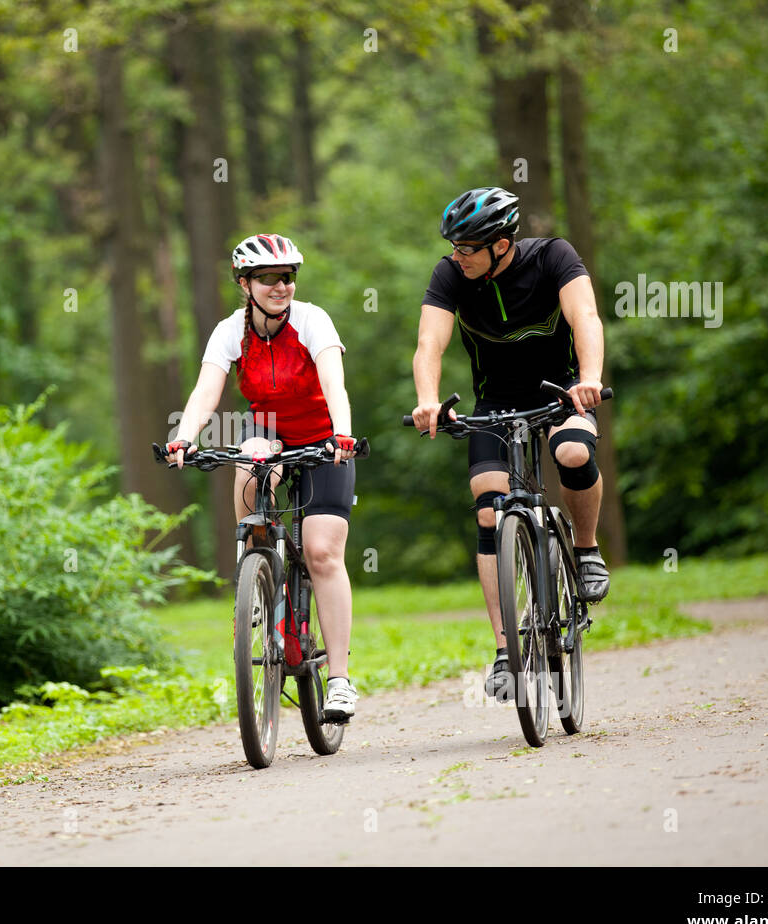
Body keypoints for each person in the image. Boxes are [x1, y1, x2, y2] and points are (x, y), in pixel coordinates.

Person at [409, 187, 610, 702]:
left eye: (467, 247)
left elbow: (585, 316)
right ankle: (506, 652)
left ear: (501, 245)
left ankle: (585, 552)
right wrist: (429, 400)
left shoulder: (553, 257)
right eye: (454, 247)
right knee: (488, 507)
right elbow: (430, 341)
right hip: (494, 402)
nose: (457, 256)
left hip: (559, 390)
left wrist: (588, 377)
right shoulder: (451, 274)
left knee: (572, 452)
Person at [168, 233, 361, 720]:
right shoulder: (231, 330)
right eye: (269, 278)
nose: (281, 286)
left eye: (288, 276)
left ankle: (338, 679)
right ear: (245, 282)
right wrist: (184, 437)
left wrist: (342, 434)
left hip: (321, 436)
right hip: (268, 431)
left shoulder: (312, 320)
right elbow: (206, 391)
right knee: (248, 468)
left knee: (321, 551)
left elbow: (334, 384)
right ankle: (255, 575)